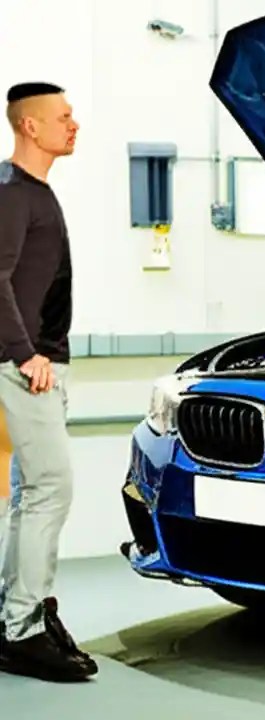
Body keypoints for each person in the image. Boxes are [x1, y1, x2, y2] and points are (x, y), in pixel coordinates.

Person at [0, 81, 97, 682]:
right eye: (63, 116)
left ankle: (18, 618)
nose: (74, 124)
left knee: (28, 492)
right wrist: (24, 354)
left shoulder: (34, 192)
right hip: (26, 369)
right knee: (50, 489)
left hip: (39, 364)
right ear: (29, 126)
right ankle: (24, 628)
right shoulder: (12, 193)